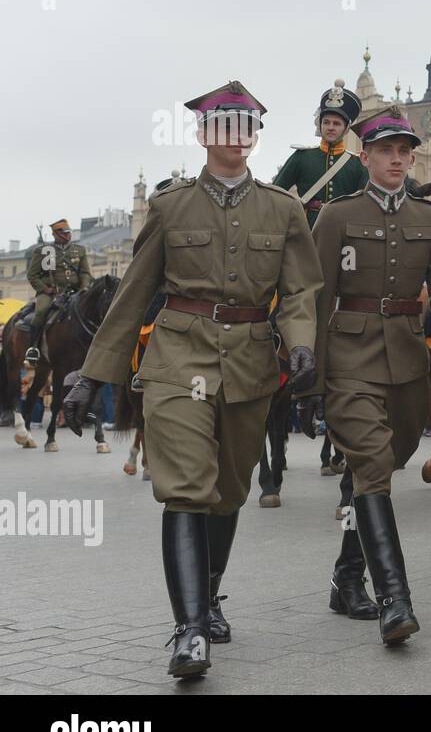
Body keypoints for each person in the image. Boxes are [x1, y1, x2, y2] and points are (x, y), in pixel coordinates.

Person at [63, 80, 322, 677]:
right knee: (185, 485)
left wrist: (302, 345)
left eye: (245, 126)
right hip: (179, 356)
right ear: (204, 135)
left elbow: (303, 289)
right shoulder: (172, 205)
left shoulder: (282, 209)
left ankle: (208, 594)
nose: (235, 136)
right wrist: (93, 375)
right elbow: (134, 293)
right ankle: (190, 630)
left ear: (254, 136)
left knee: (229, 489)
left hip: (252, 360)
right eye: (223, 126)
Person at [298, 104, 431, 643]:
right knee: (372, 465)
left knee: (376, 469)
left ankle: (347, 576)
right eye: (385, 151)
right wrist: (311, 372)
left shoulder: (428, 219)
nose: (396, 160)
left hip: (407, 358)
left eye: (404, 151)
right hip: (350, 359)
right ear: (364, 156)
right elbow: (315, 294)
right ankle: (396, 600)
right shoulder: (337, 216)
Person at [273, 80, 367, 227]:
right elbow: (275, 194)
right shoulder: (302, 157)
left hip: (343, 231)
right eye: (326, 122)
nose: (330, 127)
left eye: (336, 124)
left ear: (347, 129)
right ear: (319, 124)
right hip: (305, 230)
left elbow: (365, 205)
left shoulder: (358, 164)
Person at [21, 218, 93, 362]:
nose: (67, 235)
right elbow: (32, 275)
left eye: (68, 232)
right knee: (41, 311)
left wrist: (84, 288)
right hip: (51, 292)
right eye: (64, 233)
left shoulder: (79, 250)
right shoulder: (43, 251)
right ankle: (33, 348)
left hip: (75, 291)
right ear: (55, 234)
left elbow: (85, 273)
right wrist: (44, 289)